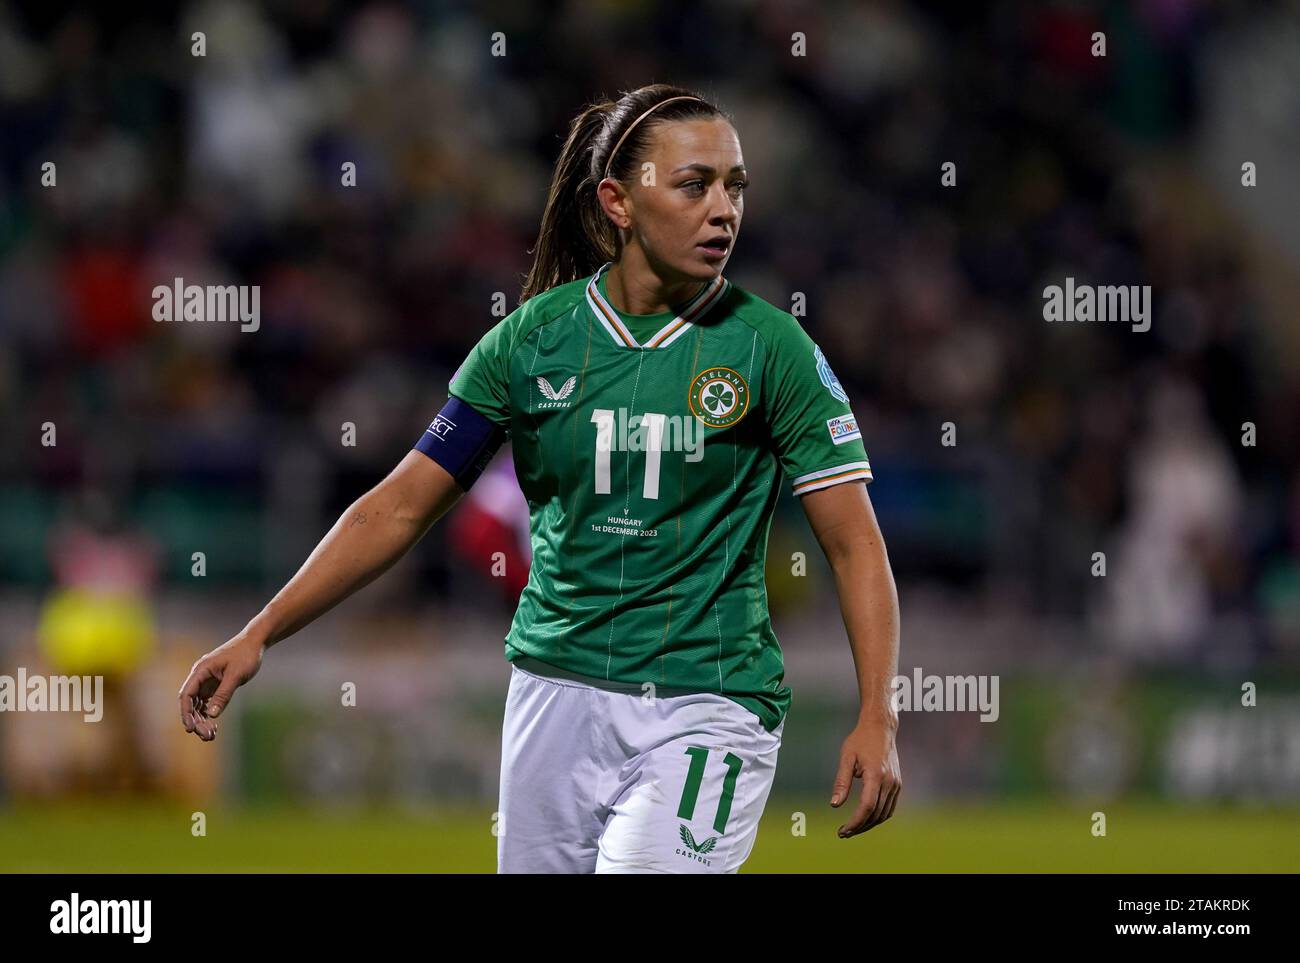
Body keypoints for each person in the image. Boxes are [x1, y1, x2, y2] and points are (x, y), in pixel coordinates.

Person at [178, 83, 902, 874]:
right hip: (553, 694)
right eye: (695, 184)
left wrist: (878, 712)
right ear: (618, 201)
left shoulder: (773, 350)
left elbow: (853, 542)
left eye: (735, 186)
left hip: (708, 698)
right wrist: (260, 631)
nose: (724, 208)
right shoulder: (531, 342)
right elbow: (398, 508)